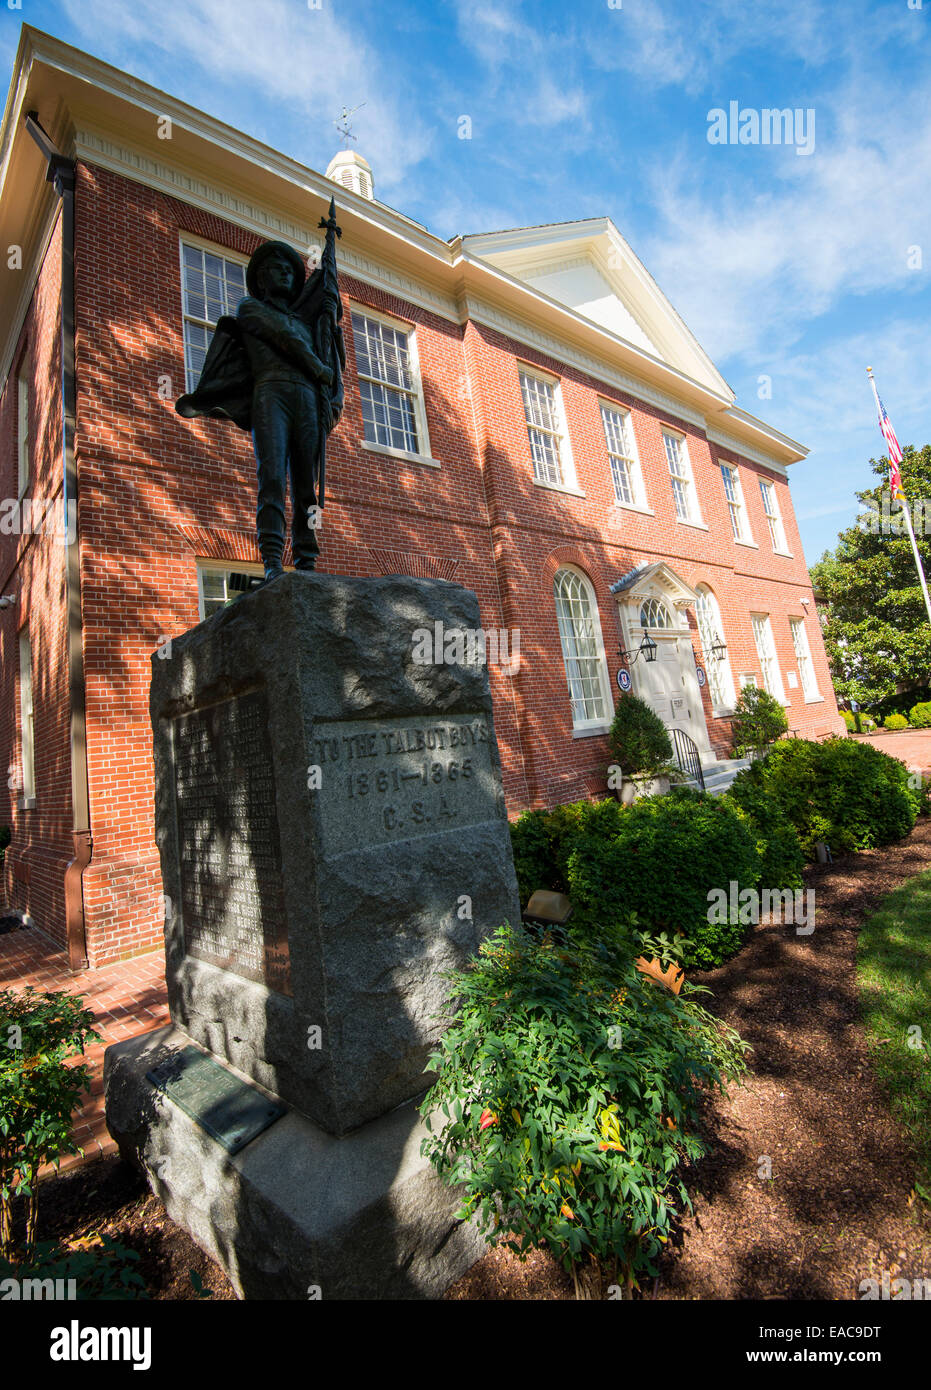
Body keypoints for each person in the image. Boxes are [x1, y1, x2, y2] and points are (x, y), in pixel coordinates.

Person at [176, 233, 345, 583]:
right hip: (272, 393)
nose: (284, 273)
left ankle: (306, 560)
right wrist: (316, 366)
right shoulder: (251, 309)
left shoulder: (308, 324)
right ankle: (271, 560)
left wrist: (330, 317)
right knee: (271, 478)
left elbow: (331, 360)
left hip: (308, 401)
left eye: (289, 269)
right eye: (275, 267)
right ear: (261, 277)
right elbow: (285, 337)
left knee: (306, 488)